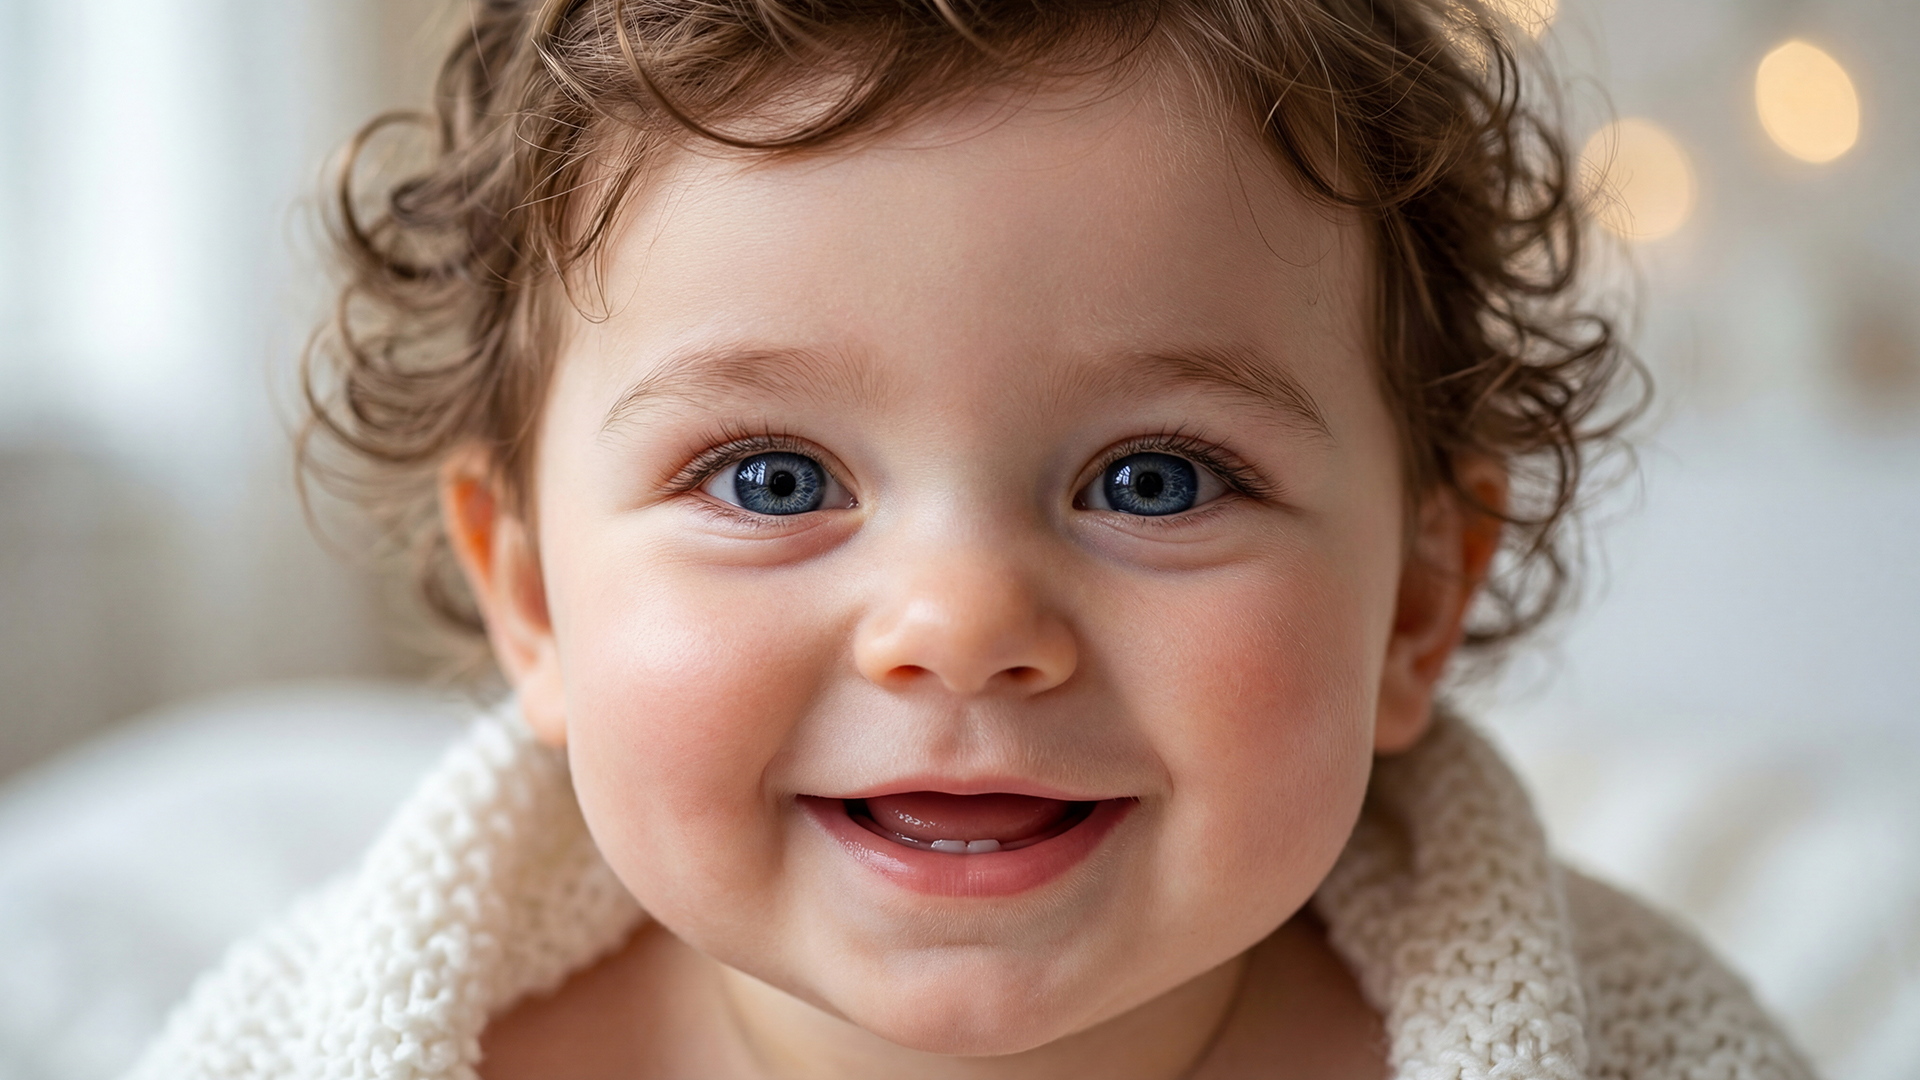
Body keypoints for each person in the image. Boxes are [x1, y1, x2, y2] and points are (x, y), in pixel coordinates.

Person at [130, 2, 1815, 1077]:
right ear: (531, 597)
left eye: (1154, 481)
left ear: (1417, 602)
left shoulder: (1636, 1045)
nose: (959, 622)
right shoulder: (344, 1046)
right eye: (771, 480)